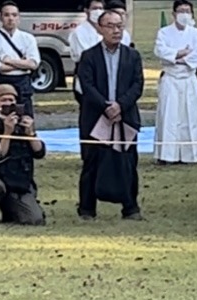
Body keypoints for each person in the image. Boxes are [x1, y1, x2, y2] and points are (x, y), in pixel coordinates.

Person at [76, 9, 144, 221]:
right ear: (100, 28)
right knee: (92, 162)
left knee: (128, 162)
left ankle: (130, 207)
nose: (116, 31)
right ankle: (87, 208)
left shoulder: (132, 56)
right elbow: (86, 86)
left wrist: (120, 106)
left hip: (125, 116)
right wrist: (106, 107)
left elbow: (137, 85)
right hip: (96, 117)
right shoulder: (89, 56)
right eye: (111, 26)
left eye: (119, 26)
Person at [0, 84, 46, 225]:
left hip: (17, 182)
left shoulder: (21, 124)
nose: (8, 104)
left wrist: (30, 134)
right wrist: (7, 133)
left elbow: (39, 153)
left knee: (35, 220)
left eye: (12, 100)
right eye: (3, 100)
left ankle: (11, 210)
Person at [153, 0, 197, 165]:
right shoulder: (163, 32)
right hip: (170, 78)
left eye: (187, 11)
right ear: (174, 14)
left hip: (189, 78)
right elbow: (160, 51)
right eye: (181, 11)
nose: (184, 14)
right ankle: (167, 155)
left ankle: (190, 155)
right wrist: (180, 53)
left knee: (190, 116)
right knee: (169, 115)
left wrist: (181, 59)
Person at [0, 1, 40, 117]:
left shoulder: (28, 38)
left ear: (19, 18)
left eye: (14, 15)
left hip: (23, 84)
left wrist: (9, 61)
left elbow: (34, 64)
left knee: (25, 121)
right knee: (0, 120)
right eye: (7, 15)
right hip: (2, 83)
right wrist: (23, 63)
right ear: (0, 17)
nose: (10, 18)